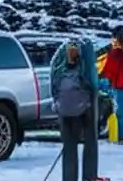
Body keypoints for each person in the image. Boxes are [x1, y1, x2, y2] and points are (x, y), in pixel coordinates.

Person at [51, 39, 103, 181]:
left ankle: (69, 178)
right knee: (90, 141)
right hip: (84, 110)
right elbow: (92, 83)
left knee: (69, 146)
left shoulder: (58, 67)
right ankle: (89, 176)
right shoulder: (84, 64)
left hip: (64, 111)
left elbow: (53, 88)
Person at [100, 27, 123, 145]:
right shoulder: (118, 53)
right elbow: (111, 71)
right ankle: (121, 136)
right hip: (121, 86)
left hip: (121, 85)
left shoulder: (119, 52)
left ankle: (120, 135)